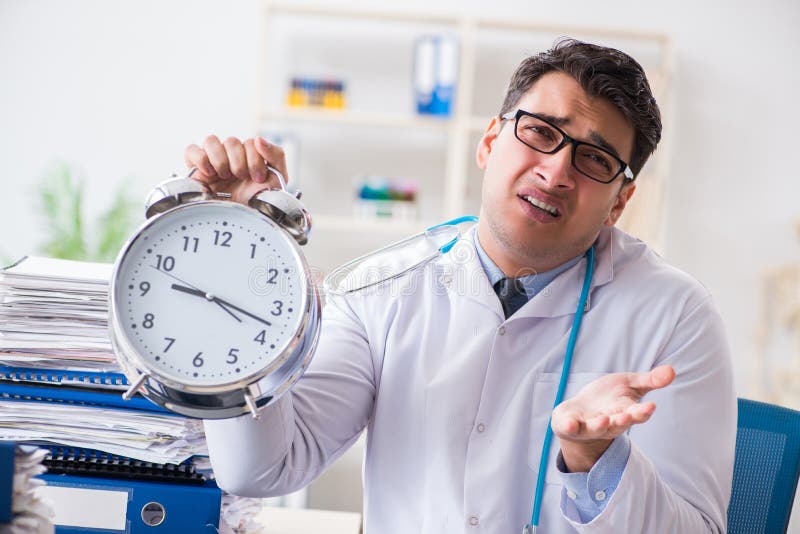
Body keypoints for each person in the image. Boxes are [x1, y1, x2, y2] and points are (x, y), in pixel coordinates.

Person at [188, 38, 736, 533]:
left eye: (594, 159)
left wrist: (595, 461)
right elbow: (262, 467)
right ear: (490, 142)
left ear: (619, 202)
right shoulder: (379, 286)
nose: (556, 171)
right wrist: (239, 250)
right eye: (541, 132)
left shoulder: (675, 315)